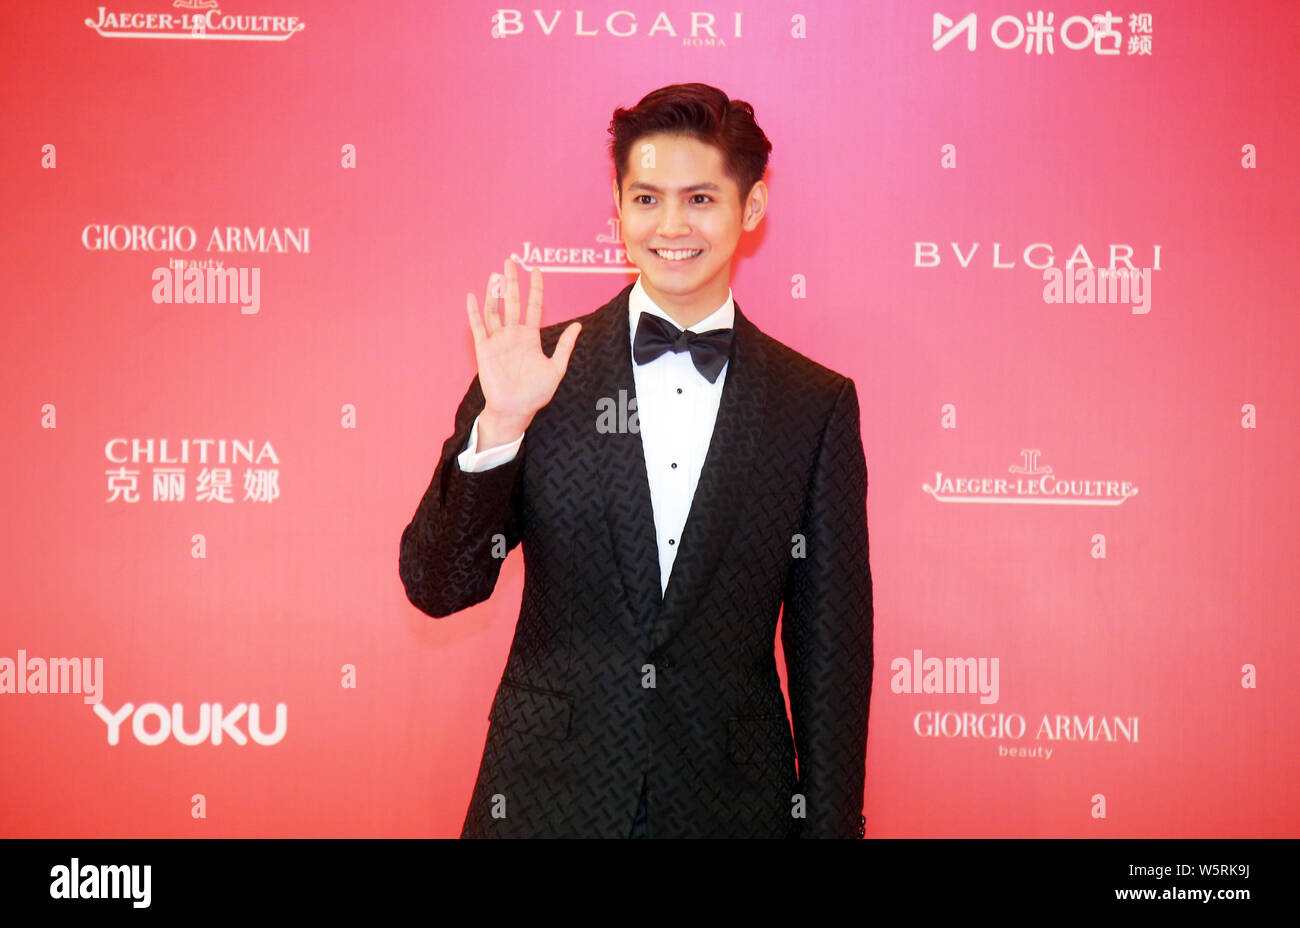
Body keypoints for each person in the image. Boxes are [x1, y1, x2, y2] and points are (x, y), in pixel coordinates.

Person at [399, 82, 872, 838]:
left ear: (750, 210)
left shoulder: (811, 404)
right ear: (616, 211)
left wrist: (831, 827)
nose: (672, 226)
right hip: (547, 797)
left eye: (701, 199)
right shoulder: (535, 369)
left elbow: (831, 652)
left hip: (733, 807)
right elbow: (438, 586)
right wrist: (503, 422)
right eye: (646, 199)